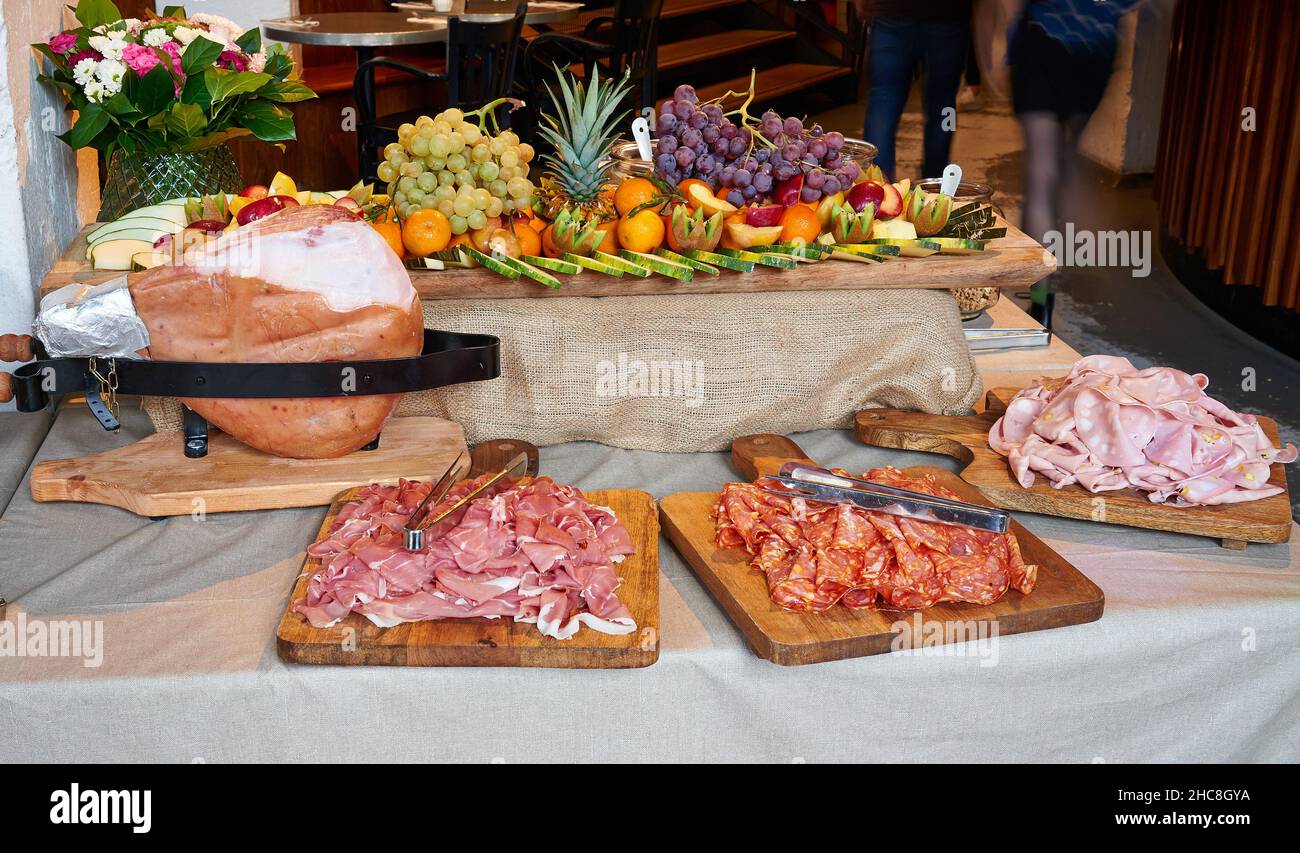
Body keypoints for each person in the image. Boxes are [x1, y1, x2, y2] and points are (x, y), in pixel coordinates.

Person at [1010, 0, 1138, 325]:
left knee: (1041, 177)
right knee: (1064, 162)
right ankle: (1077, 230)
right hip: (1095, 51)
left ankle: (1041, 301)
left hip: (1044, 40)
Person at [855, 0, 973, 181]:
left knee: (882, 102)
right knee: (944, 106)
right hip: (947, 16)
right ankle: (935, 187)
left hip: (890, 13)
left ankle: (877, 190)